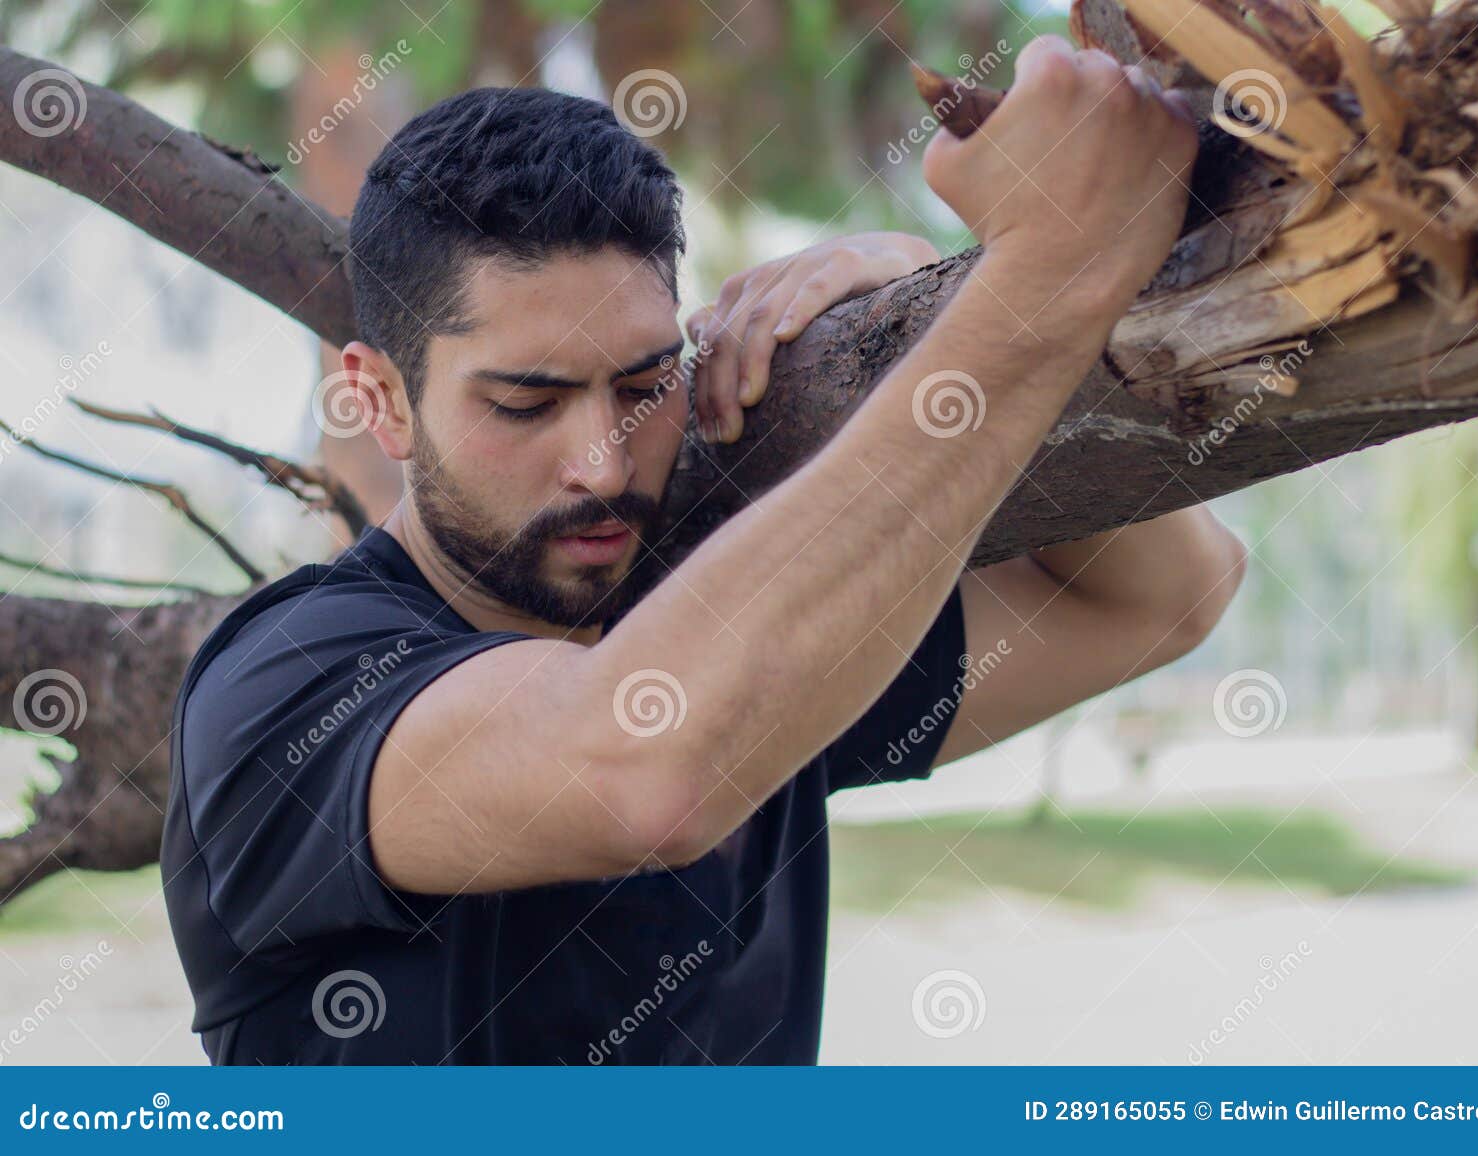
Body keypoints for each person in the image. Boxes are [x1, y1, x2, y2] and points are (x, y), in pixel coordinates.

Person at [161, 35, 1245, 1064]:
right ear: (379, 402)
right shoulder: (282, 686)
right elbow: (647, 766)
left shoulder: (737, 647)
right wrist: (1039, 279)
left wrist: (922, 315)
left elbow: (1166, 595)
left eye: (641, 388)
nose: (599, 461)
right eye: (525, 404)